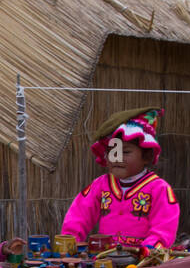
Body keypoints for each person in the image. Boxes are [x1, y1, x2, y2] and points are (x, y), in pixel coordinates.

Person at [61, 107, 180, 250]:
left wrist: (146, 251)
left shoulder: (159, 189)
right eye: (112, 151)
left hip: (142, 263)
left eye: (125, 151)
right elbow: (78, 217)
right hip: (104, 258)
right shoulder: (100, 185)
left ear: (146, 156)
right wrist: (69, 244)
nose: (116, 158)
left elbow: (164, 228)